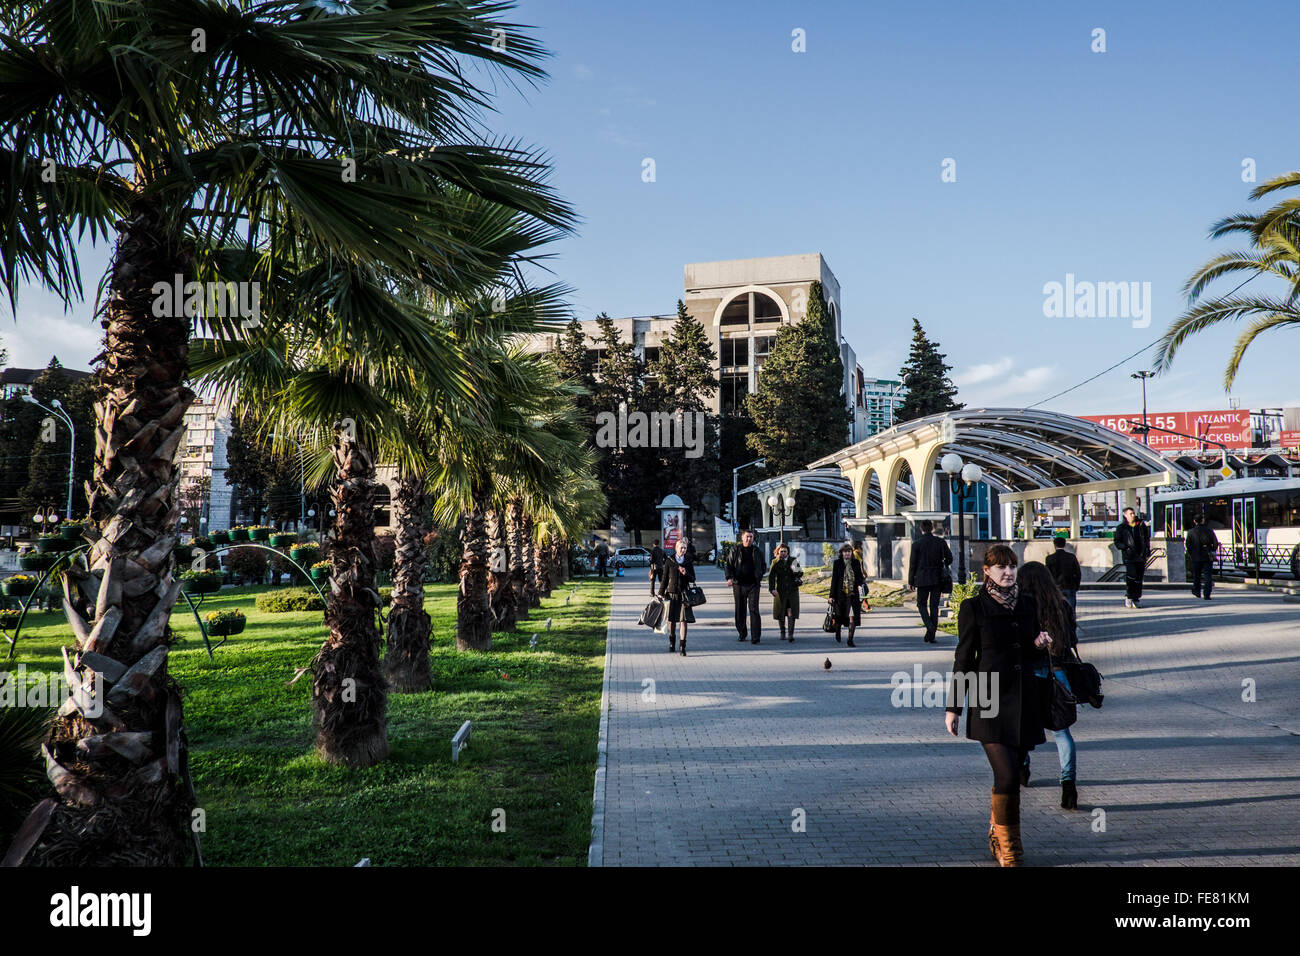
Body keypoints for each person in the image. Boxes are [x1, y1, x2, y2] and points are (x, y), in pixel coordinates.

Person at [944, 545, 1052, 867]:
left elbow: (1030, 654)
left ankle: (997, 831)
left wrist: (1038, 644)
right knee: (1005, 775)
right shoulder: (973, 608)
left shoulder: (1028, 605)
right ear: (987, 572)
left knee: (1014, 774)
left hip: (1022, 701)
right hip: (987, 698)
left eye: (1012, 567)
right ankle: (1010, 850)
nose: (1008, 573)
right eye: (1001, 567)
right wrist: (954, 708)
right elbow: (963, 659)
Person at [1015, 561, 1082, 811]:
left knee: (1022, 727)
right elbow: (1071, 639)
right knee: (1062, 732)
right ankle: (1068, 784)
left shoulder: (1021, 607)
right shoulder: (1061, 605)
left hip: (1030, 675)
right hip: (1058, 673)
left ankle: (1022, 767)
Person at [908, 519, 953, 643]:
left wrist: (911, 581)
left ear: (921, 529)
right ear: (932, 528)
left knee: (921, 604)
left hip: (922, 578)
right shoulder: (940, 542)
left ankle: (930, 627)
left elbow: (913, 564)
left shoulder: (916, 544)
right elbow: (950, 558)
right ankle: (931, 633)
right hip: (937, 577)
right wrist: (942, 564)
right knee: (934, 605)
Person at [725, 529, 767, 644]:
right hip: (739, 584)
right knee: (740, 610)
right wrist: (729, 578)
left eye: (751, 537)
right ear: (742, 538)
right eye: (747, 537)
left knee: (754, 609)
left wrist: (759, 575)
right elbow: (729, 565)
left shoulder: (757, 551)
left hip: (753, 585)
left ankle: (755, 636)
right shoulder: (735, 550)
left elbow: (763, 565)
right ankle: (742, 633)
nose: (749, 539)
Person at [659, 538, 696, 656]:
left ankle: (682, 646)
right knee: (672, 621)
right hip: (671, 594)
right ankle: (672, 641)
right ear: (676, 548)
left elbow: (693, 578)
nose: (683, 550)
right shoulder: (670, 561)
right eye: (681, 548)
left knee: (683, 620)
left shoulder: (688, 560)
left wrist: (686, 573)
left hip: (684, 595)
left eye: (685, 548)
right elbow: (664, 579)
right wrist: (660, 593)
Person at [829, 541, 867, 647]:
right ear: (842, 553)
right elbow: (834, 580)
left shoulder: (855, 563)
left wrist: (860, 585)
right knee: (839, 617)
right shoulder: (837, 563)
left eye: (849, 552)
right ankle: (837, 630)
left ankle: (850, 639)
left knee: (852, 617)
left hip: (853, 595)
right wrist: (831, 596)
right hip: (840, 595)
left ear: (851, 553)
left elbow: (860, 577)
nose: (847, 554)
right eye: (845, 552)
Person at [1113, 507, 1151, 608]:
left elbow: (1146, 539)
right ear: (1125, 515)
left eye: (1133, 513)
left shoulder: (1141, 526)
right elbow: (1117, 541)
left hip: (1141, 555)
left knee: (1139, 577)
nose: (1133, 515)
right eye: (1130, 513)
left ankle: (1136, 597)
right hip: (1129, 556)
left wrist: (1147, 550)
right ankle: (1129, 596)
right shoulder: (1121, 527)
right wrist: (1125, 547)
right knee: (1131, 576)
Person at [768, 543, 803, 642]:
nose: (783, 553)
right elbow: (771, 577)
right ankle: (782, 631)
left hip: (792, 590)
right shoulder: (775, 562)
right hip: (780, 591)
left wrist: (795, 570)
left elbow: (800, 573)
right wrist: (772, 589)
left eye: (785, 551)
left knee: (791, 610)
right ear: (778, 552)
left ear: (788, 552)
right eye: (781, 551)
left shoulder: (793, 560)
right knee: (781, 611)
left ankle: (790, 634)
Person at [1185, 513, 1219, 600]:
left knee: (1197, 575)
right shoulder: (1209, 530)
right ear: (1202, 520)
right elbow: (1215, 543)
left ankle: (1197, 591)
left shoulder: (1191, 532)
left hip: (1196, 557)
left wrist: (1191, 554)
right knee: (1208, 576)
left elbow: (1188, 545)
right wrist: (1212, 550)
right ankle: (1207, 594)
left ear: (1194, 521)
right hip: (1207, 556)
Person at [1045, 537, 1082, 610]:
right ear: (1064, 545)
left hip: (1055, 586)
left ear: (1054, 545)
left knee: (1056, 608)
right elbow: (1078, 572)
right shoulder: (1071, 557)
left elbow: (1047, 574)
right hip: (1070, 585)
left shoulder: (1049, 558)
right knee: (1071, 609)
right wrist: (1076, 585)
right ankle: (1070, 620)